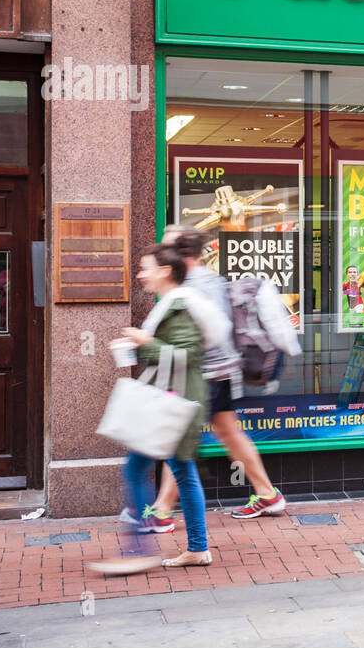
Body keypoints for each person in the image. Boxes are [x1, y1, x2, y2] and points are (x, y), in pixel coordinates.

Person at [90, 243, 218, 574]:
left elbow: (188, 355)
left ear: (164, 271)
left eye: (145, 267)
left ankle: (139, 549)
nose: (140, 274)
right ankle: (197, 548)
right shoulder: (169, 305)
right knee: (182, 474)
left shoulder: (179, 307)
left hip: (172, 404)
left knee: (137, 471)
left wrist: (145, 342)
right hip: (173, 402)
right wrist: (137, 345)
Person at [148, 226, 288, 521]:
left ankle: (160, 511)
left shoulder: (191, 286)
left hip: (205, 375)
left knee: (180, 441)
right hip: (224, 374)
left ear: (181, 254)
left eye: (167, 248)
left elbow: (198, 336)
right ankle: (267, 494)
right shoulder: (210, 279)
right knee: (229, 433)